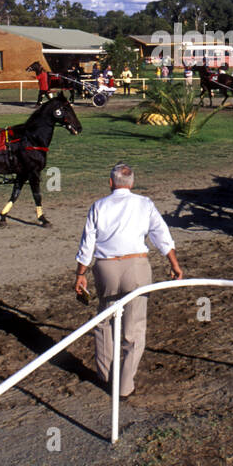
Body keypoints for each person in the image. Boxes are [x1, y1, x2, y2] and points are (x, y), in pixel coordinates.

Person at [73, 163, 182, 400]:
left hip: (106, 269)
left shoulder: (98, 206)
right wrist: (173, 263)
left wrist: (80, 274)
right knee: (135, 328)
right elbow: (161, 235)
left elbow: (87, 245)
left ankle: (106, 377)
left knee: (105, 321)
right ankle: (124, 386)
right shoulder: (145, 204)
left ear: (111, 183)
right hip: (137, 267)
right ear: (131, 183)